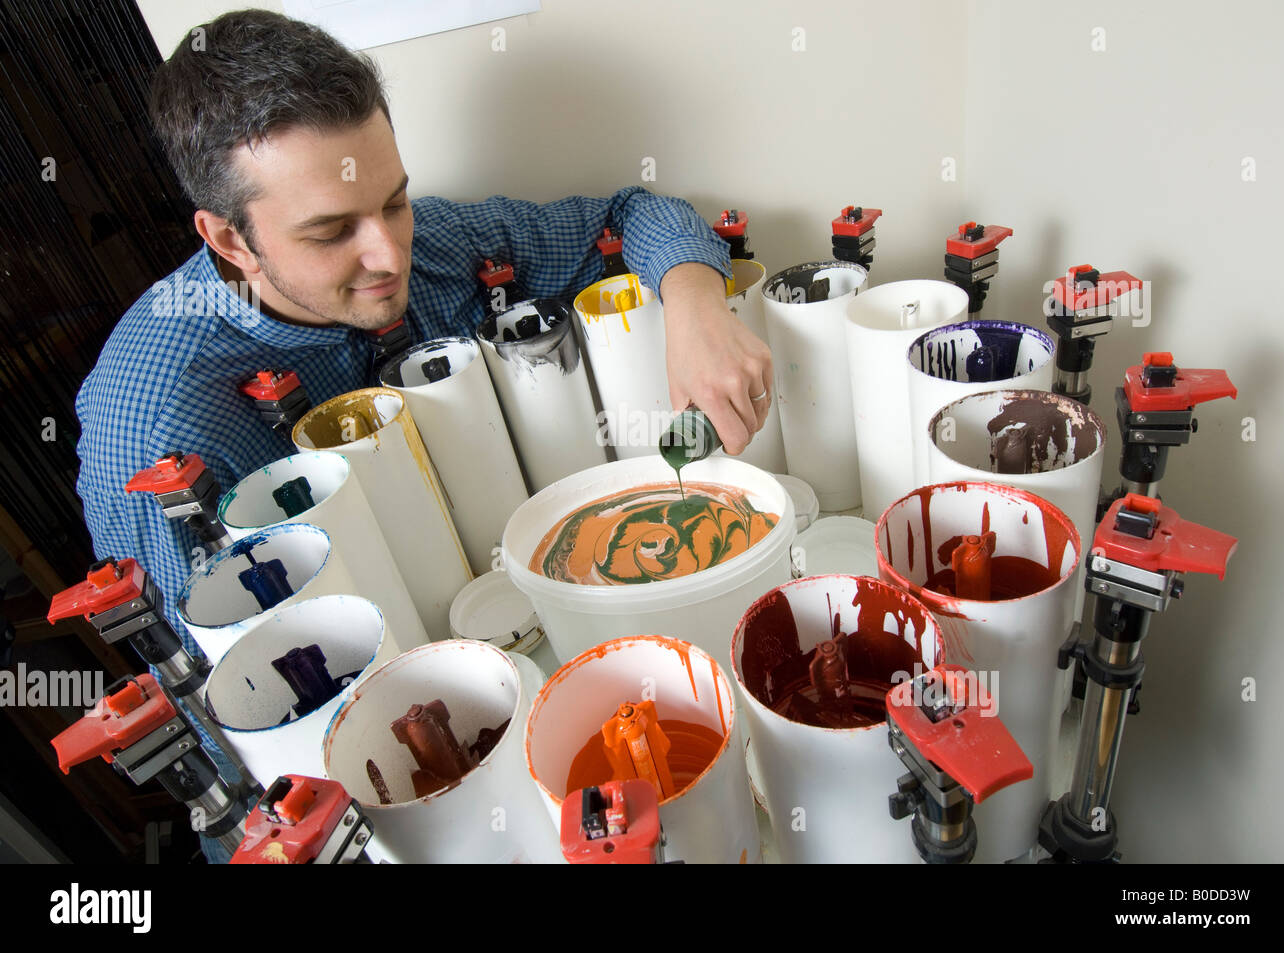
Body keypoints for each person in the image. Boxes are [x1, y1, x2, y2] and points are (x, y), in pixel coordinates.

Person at [72, 10, 772, 858]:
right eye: (331, 230)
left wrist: (696, 302)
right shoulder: (153, 422)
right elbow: (239, 730)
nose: (390, 255)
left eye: (394, 200)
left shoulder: (436, 242)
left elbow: (633, 213)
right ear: (229, 239)